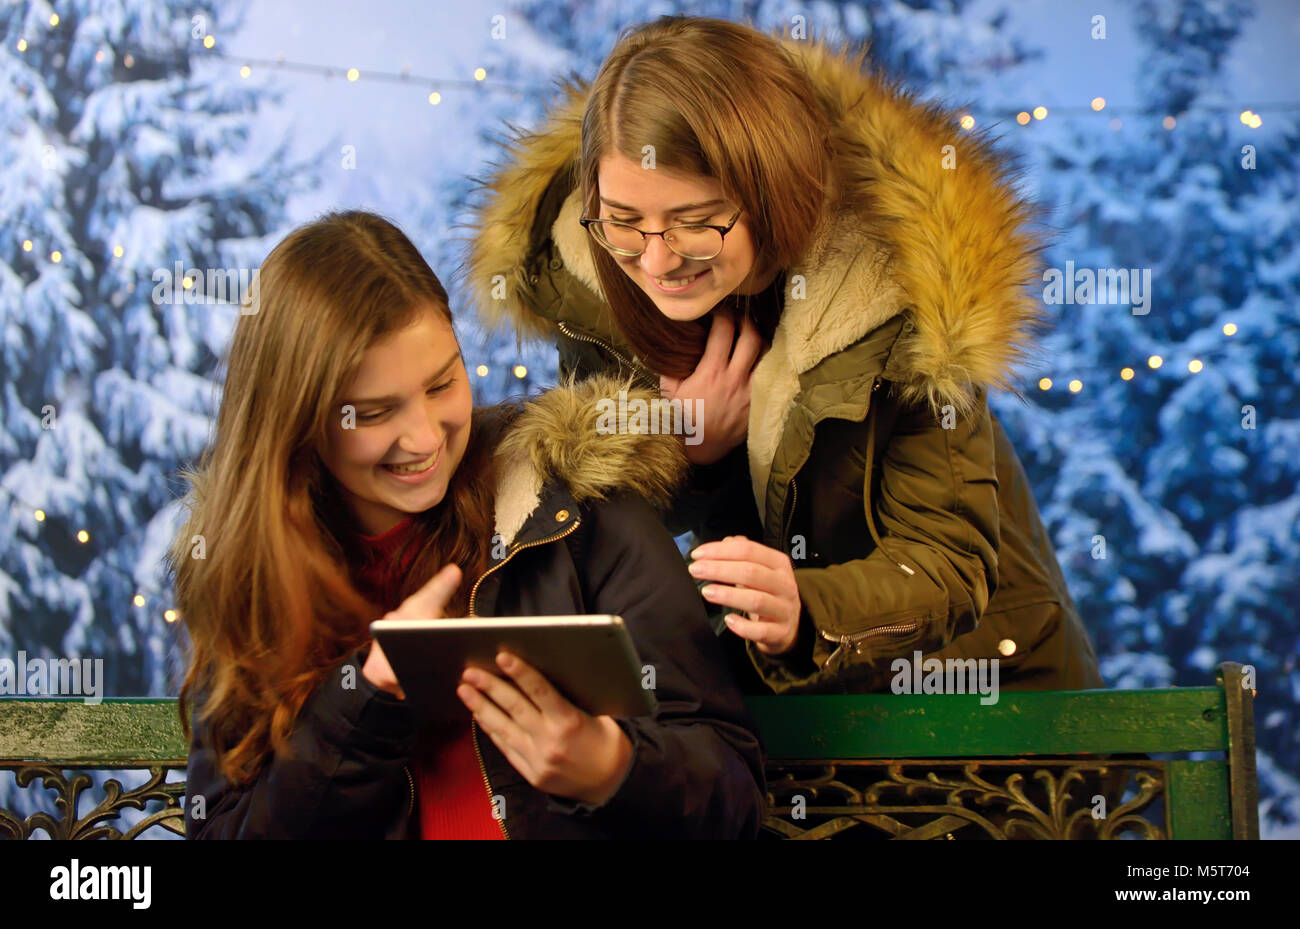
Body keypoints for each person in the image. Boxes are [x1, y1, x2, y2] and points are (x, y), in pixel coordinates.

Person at [466, 16, 1103, 694]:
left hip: (984, 706)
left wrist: (809, 608)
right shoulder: (594, 283)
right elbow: (600, 539)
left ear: (770, 190)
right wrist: (677, 447)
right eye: (624, 219)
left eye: (695, 221)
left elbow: (947, 564)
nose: (655, 259)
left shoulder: (904, 293)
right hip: (779, 711)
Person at [170, 210, 765, 839]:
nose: (425, 438)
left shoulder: (576, 505)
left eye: (442, 383)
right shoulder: (254, 570)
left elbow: (733, 796)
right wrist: (362, 701)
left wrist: (611, 768)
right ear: (300, 422)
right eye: (374, 413)